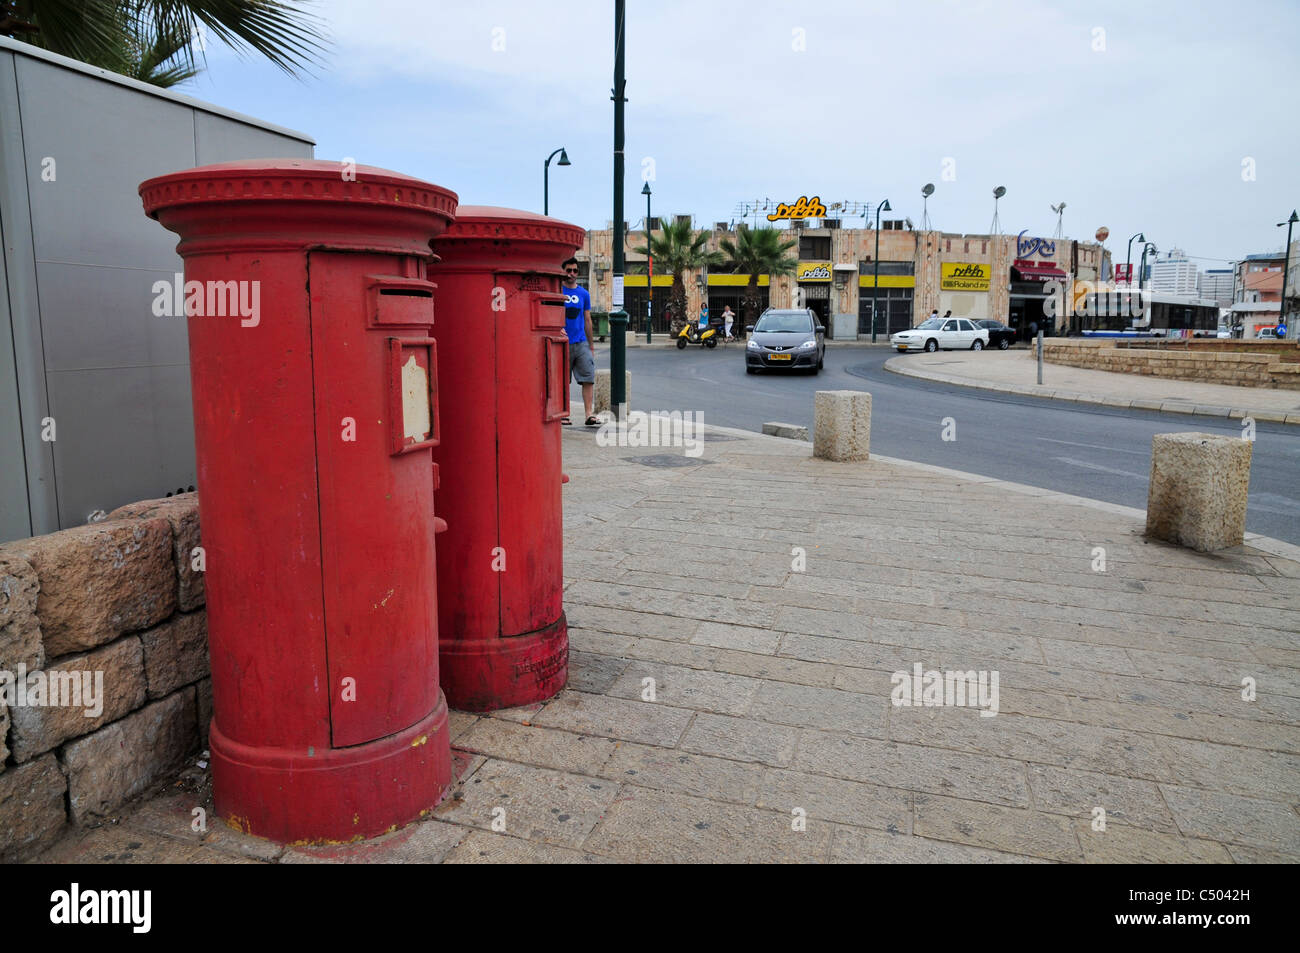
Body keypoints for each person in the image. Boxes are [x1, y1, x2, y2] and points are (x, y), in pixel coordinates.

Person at [561, 257, 598, 425]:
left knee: (588, 377)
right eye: (568, 270)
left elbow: (587, 319)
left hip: (581, 341)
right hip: (562, 342)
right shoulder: (557, 291)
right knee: (562, 380)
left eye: (575, 271)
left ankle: (589, 414)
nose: (572, 274)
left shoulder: (584, 294)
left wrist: (591, 345)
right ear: (563, 271)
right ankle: (564, 414)